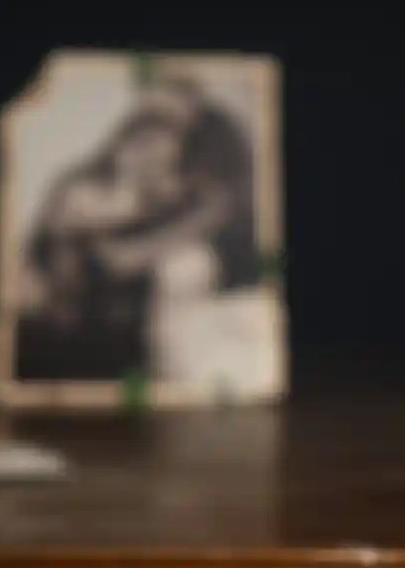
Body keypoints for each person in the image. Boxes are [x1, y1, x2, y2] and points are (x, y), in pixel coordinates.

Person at [15, 75, 258, 381]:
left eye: (164, 161)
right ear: (121, 147)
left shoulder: (185, 186)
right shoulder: (84, 188)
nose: (152, 165)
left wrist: (185, 207)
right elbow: (113, 255)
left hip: (117, 335)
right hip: (58, 329)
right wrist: (193, 214)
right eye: (143, 150)